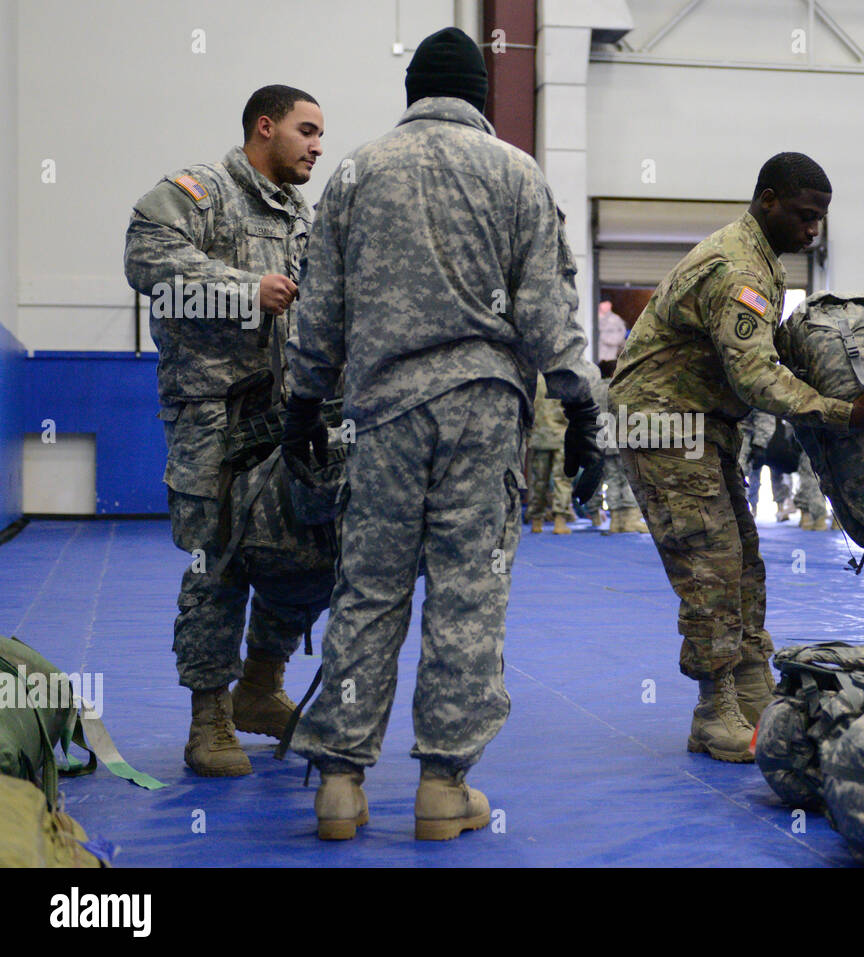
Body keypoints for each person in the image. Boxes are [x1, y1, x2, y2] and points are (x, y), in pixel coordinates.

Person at [281, 27, 602, 840]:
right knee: (466, 598)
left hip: (380, 414)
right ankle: (441, 788)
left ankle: (341, 788)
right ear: (482, 98)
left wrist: (302, 403)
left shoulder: (356, 170)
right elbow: (545, 311)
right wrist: (584, 407)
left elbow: (319, 307)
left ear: (412, 93)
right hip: (483, 411)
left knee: (368, 591)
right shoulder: (517, 174)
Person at [611, 152, 864, 762]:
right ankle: (713, 705)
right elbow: (756, 379)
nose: (812, 231)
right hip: (663, 421)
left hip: (701, 421)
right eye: (804, 216)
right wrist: (846, 414)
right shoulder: (739, 267)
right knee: (710, 563)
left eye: (820, 220)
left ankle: (750, 686)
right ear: (767, 199)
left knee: (744, 557)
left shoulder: (762, 260)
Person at [124, 85, 324, 777]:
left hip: (289, 415)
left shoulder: (304, 216)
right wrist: (244, 289)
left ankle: (261, 689)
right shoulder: (200, 191)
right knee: (218, 558)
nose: (318, 145)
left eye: (321, 134)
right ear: (264, 128)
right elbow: (146, 260)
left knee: (310, 545)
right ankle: (208, 717)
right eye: (307, 130)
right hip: (212, 411)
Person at [592, 360, 649, 533]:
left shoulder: (593, 390)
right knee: (629, 480)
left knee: (612, 480)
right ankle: (631, 518)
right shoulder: (621, 387)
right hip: (622, 439)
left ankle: (615, 520)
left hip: (602, 440)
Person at [528, 373, 574, 534]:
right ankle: (560, 521)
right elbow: (573, 409)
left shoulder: (534, 378)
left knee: (539, 481)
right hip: (561, 436)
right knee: (562, 480)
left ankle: (536, 520)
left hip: (539, 435)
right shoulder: (564, 377)